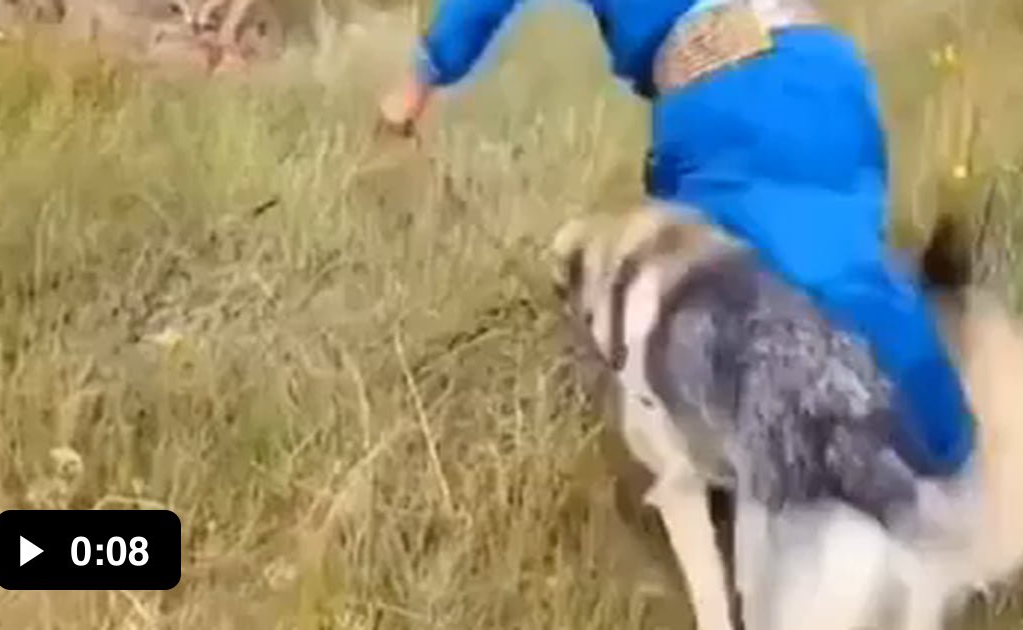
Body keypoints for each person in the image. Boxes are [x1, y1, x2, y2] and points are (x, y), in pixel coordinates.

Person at [377, 0, 975, 478]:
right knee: (839, 294)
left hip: (736, 94)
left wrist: (419, 79)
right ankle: (941, 454)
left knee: (737, 323)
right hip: (822, 73)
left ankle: (940, 471)